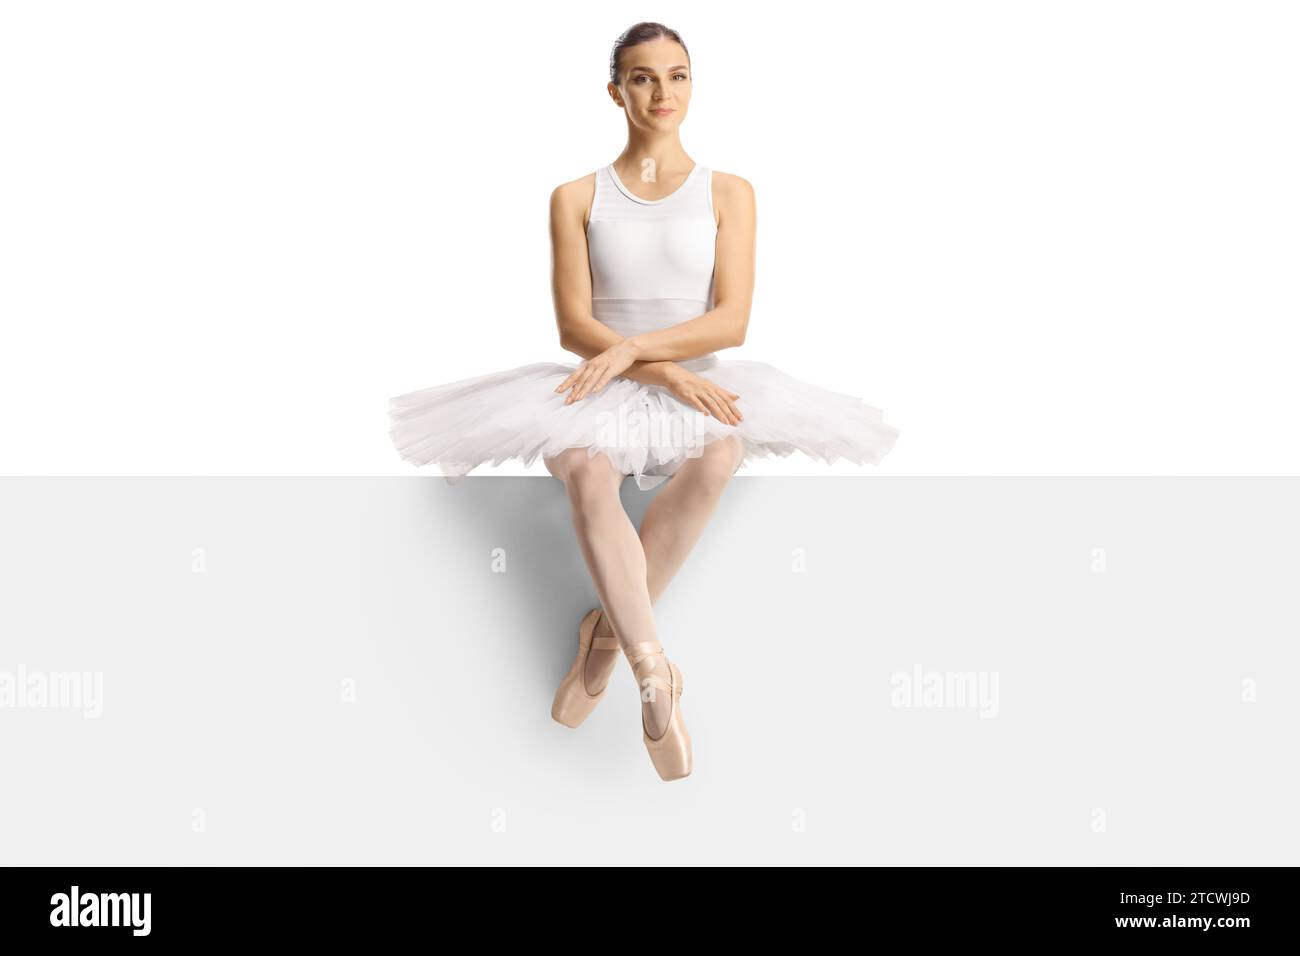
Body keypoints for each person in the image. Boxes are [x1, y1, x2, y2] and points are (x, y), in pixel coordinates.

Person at [388, 22, 899, 780]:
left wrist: (640, 352)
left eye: (678, 75)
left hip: (698, 382)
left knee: (719, 452)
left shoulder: (729, 192)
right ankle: (653, 669)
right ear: (615, 91)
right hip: (599, 385)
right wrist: (641, 362)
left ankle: (604, 643)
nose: (663, 93)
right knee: (589, 472)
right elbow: (575, 325)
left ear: (693, 85)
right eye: (644, 78)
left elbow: (732, 318)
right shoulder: (574, 196)